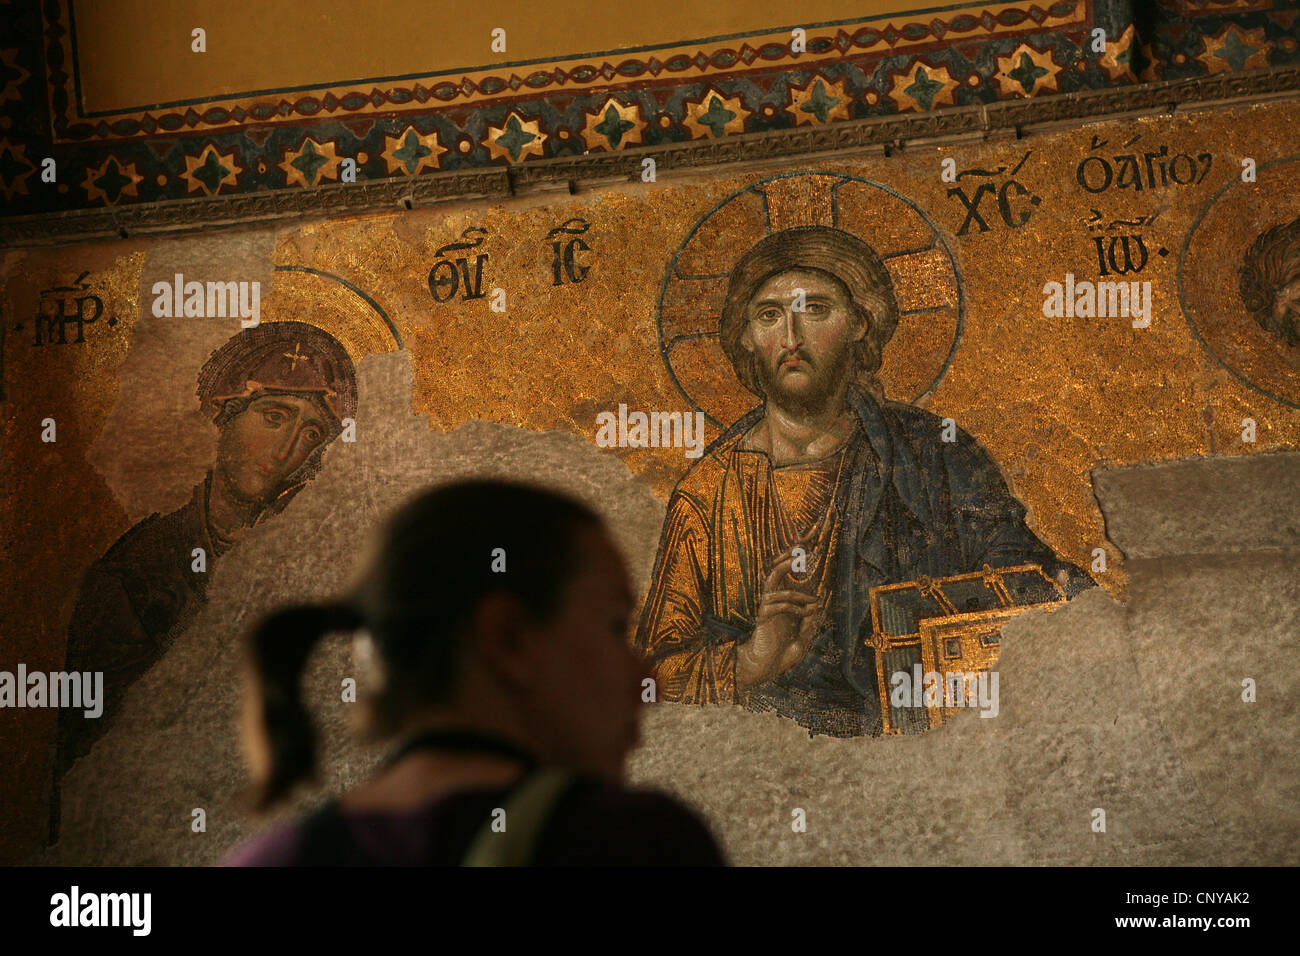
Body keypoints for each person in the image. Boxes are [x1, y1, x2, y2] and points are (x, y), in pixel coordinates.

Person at [635, 225, 1094, 738]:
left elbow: (1031, 576)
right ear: (744, 336)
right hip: (773, 761)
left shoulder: (932, 452)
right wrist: (753, 659)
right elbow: (649, 680)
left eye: (815, 309)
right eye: (769, 315)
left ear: (860, 322)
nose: (791, 337)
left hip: (935, 748)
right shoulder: (708, 496)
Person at [224, 480, 726, 866]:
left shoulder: (270, 858)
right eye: (616, 625)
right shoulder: (636, 842)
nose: (651, 681)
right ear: (508, 638)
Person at [52, 321, 356, 843]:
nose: (285, 449)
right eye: (274, 416)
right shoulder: (135, 572)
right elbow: (96, 764)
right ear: (226, 416)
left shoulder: (314, 565)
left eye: (310, 433)